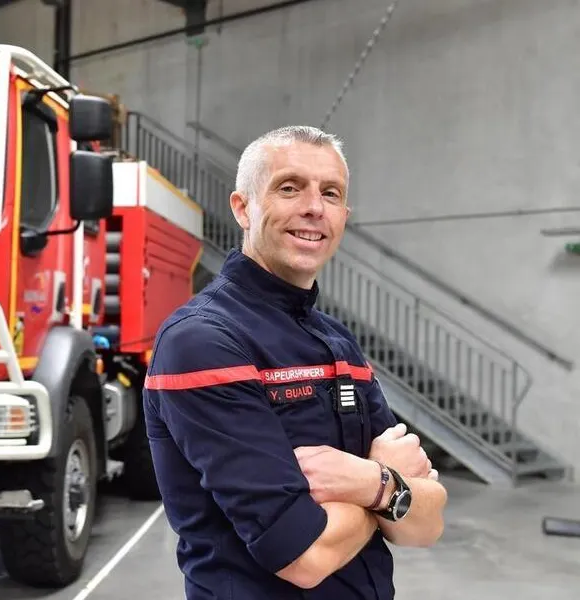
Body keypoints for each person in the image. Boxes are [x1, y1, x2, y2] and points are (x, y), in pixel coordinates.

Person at [142, 126, 448, 599]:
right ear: (242, 208)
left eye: (331, 193)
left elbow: (425, 526)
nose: (314, 207)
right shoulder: (202, 342)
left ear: (344, 216)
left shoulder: (339, 344)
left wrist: (371, 480)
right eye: (289, 187)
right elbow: (304, 556)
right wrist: (386, 487)